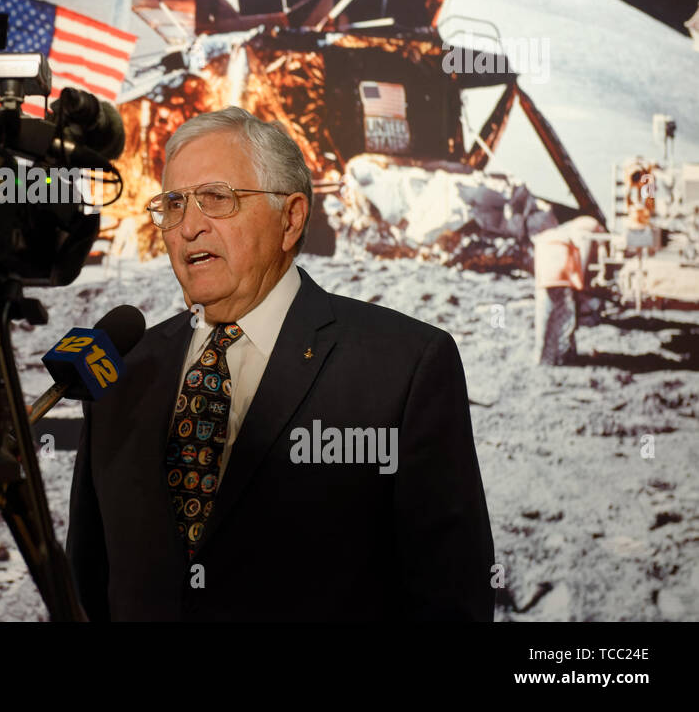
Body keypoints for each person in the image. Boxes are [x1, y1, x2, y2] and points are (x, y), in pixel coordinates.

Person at [67, 106, 495, 621]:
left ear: (290, 219)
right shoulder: (124, 370)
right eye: (174, 204)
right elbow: (86, 586)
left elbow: (450, 599)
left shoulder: (404, 367)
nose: (188, 227)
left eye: (216, 199)